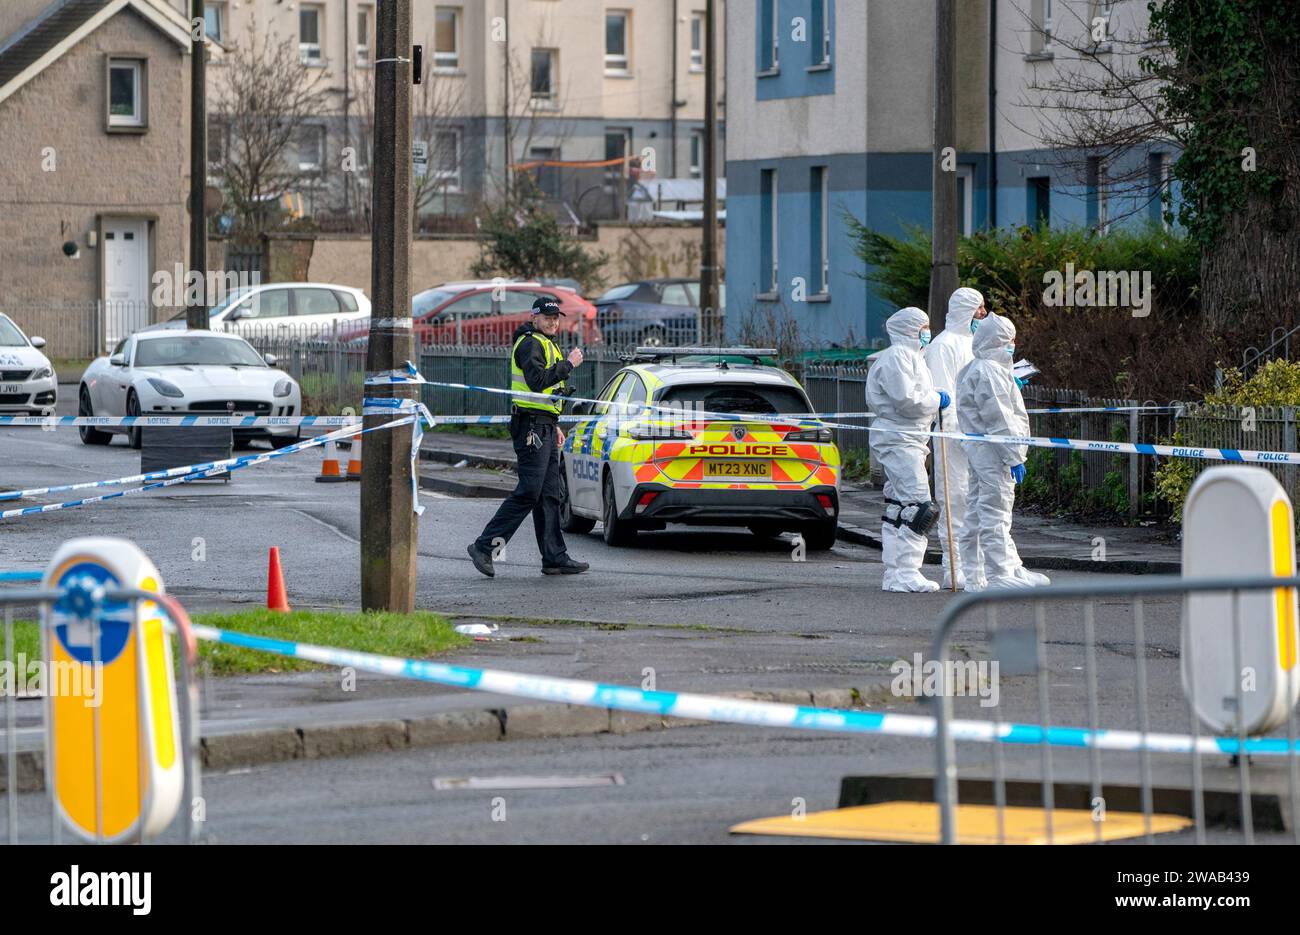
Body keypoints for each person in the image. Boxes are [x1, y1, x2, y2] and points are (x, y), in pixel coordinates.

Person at [466, 297, 589, 577]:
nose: (553, 321)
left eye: (556, 317)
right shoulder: (530, 342)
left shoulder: (546, 343)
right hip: (531, 428)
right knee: (529, 492)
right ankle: (485, 547)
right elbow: (537, 382)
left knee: (549, 495)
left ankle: (555, 557)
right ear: (534, 318)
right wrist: (569, 365)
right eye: (547, 317)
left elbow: (544, 394)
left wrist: (552, 421)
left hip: (542, 424)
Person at [955, 314, 1050, 590]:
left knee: (977, 510)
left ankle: (983, 573)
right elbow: (1000, 418)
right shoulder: (989, 371)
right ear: (996, 341)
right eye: (1008, 341)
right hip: (994, 452)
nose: (1012, 345)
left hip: (984, 450)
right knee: (995, 512)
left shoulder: (980, 368)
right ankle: (998, 575)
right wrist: (1014, 456)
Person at [866, 306, 948, 593]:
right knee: (920, 505)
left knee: (899, 505)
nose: (927, 331)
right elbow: (907, 400)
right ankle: (908, 571)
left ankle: (894, 572)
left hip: (908, 438)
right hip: (899, 438)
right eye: (923, 327)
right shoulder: (899, 356)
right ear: (911, 329)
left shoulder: (912, 357)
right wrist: (937, 399)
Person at [924, 287, 987, 589]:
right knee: (955, 499)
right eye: (979, 308)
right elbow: (943, 395)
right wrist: (957, 432)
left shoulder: (978, 344)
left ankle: (977, 566)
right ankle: (954, 566)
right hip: (954, 437)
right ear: (966, 310)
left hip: (979, 436)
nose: (983, 314)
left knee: (977, 501)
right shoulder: (943, 346)